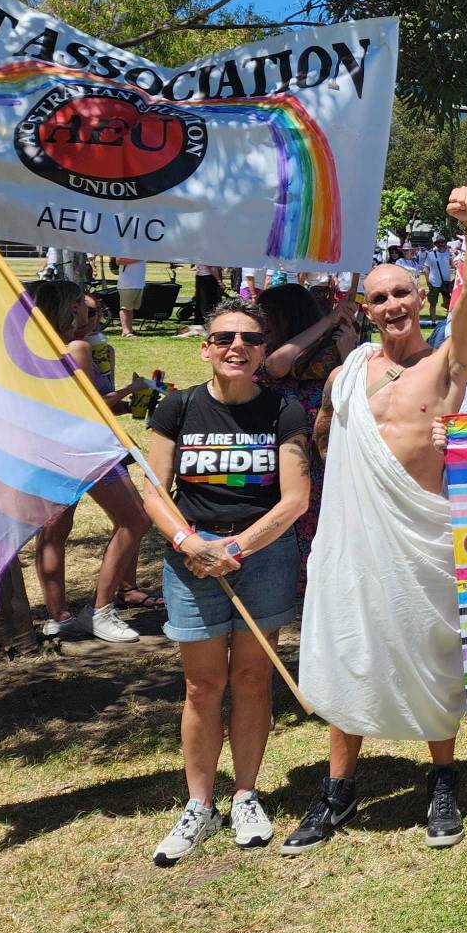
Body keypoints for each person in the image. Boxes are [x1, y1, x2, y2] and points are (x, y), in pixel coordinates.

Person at [285, 186, 467, 855]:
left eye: (403, 293)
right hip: (353, 539)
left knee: (431, 655)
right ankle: (338, 788)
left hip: (422, 537)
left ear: (421, 299)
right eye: (379, 299)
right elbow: (324, 433)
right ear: (367, 311)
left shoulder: (445, 365)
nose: (393, 306)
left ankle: (441, 778)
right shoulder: (349, 370)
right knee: (352, 647)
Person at [144, 302, 311, 864]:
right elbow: (153, 492)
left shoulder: (283, 411)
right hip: (191, 559)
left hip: (260, 556)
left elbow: (295, 499)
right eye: (224, 338)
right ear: (205, 347)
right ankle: (199, 804)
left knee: (252, 678)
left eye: (250, 338)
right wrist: (191, 544)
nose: (236, 347)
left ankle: (244, 794)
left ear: (264, 349)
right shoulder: (176, 407)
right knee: (201, 685)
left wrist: (237, 548)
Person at [25, 279, 152, 643]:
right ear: (68, 308)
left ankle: (58, 616)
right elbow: (87, 405)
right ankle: (100, 610)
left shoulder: (27, 348)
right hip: (86, 449)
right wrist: (132, 391)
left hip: (45, 449)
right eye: (82, 306)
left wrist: (125, 402)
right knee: (135, 519)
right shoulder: (77, 347)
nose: (88, 313)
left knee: (54, 531)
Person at [257, 282, 360, 590]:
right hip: (285, 455)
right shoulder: (268, 354)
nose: (261, 328)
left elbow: (352, 393)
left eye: (267, 320)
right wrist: (328, 320)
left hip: (322, 456)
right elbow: (277, 365)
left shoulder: (329, 347)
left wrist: (348, 354)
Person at [419, 240, 454, 320]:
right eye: (438, 243)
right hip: (434, 283)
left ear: (445, 243)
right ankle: (433, 321)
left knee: (448, 303)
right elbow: (426, 268)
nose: (440, 244)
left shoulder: (449, 254)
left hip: (446, 283)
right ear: (435, 244)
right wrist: (428, 281)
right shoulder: (431, 254)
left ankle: (449, 320)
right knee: (433, 303)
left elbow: (453, 265)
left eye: (442, 242)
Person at [115, 255, 146, 337]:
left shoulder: (140, 250)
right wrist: (139, 258)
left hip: (138, 283)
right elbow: (119, 261)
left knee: (131, 308)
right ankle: (125, 331)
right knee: (125, 308)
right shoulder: (124, 248)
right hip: (127, 284)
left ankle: (130, 330)